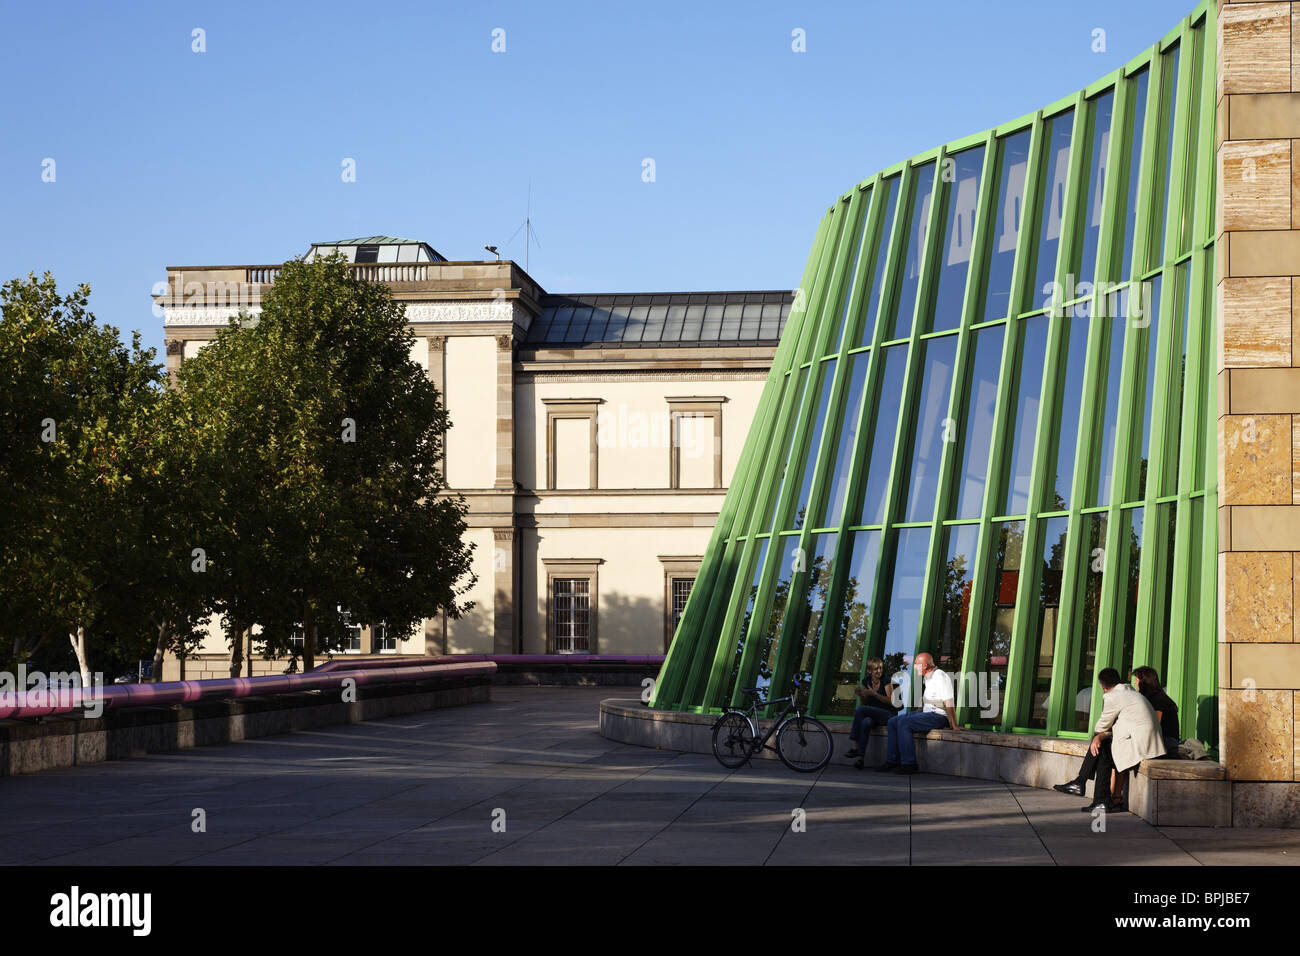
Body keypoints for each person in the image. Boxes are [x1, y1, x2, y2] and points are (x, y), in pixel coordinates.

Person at [1053, 667, 1166, 813]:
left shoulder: (1114, 696)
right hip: (1149, 745)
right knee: (1102, 750)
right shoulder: (1129, 692)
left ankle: (1084, 785)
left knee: (1101, 749)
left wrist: (1098, 737)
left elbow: (1102, 725)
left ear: (1102, 685)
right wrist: (1100, 737)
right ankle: (1095, 798)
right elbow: (1118, 728)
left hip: (1141, 747)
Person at [874, 652, 957, 775]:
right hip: (927, 714)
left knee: (904, 722)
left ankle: (909, 764)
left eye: (917, 664)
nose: (914, 667)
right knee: (892, 721)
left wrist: (954, 725)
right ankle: (891, 761)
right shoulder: (929, 677)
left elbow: (949, 701)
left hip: (938, 716)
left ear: (925, 665)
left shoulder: (940, 676)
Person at [845, 658, 899, 768]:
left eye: (880, 668)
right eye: (876, 669)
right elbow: (865, 703)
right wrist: (861, 695)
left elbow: (891, 702)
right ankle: (861, 759)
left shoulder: (886, 681)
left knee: (860, 710)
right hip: (874, 715)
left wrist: (875, 694)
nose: (879, 671)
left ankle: (855, 746)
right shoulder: (866, 681)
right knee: (866, 722)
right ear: (869, 671)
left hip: (888, 714)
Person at [1132, 665, 1180, 757]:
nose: (1135, 682)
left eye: (1137, 679)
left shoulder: (1157, 699)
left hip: (1165, 743)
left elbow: (1154, 725)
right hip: (1161, 741)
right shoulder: (1154, 697)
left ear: (1144, 682)